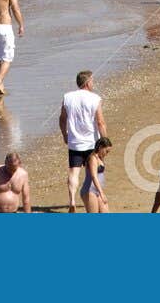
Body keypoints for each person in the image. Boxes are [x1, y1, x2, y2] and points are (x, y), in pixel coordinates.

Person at [60, 70, 106, 213]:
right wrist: (105, 141)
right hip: (91, 142)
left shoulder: (67, 97)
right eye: (92, 81)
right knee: (93, 172)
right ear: (87, 82)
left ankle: (72, 200)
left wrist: (65, 134)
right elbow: (100, 122)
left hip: (75, 141)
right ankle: (94, 197)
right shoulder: (95, 98)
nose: (93, 83)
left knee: (74, 172)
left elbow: (62, 119)